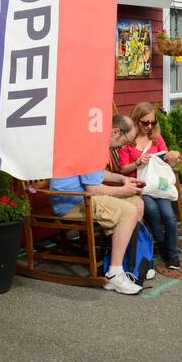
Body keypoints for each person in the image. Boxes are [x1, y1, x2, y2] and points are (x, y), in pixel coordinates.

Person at [50, 122, 148, 296]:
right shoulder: (92, 147)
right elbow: (93, 189)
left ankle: (129, 263)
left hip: (83, 197)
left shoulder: (94, 143)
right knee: (129, 210)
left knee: (137, 203)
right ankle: (114, 273)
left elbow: (99, 175)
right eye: (126, 141)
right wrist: (122, 190)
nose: (125, 146)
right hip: (72, 202)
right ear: (116, 131)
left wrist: (122, 180)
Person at [114, 106, 182, 271]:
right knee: (151, 209)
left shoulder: (157, 139)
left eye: (153, 122)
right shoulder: (128, 141)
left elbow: (166, 164)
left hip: (159, 186)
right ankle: (164, 245)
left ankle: (171, 254)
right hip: (139, 187)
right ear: (136, 120)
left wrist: (175, 158)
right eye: (145, 123)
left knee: (169, 216)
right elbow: (122, 169)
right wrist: (138, 162)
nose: (150, 126)